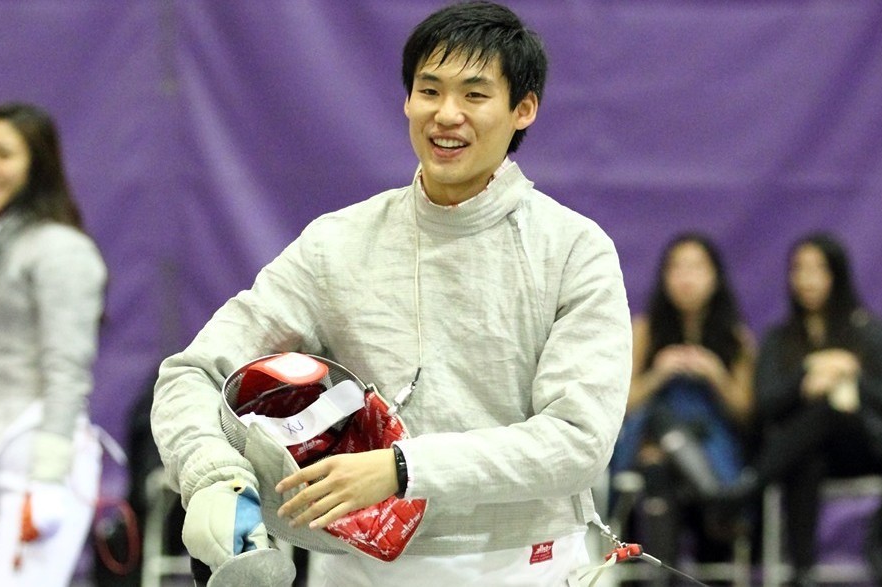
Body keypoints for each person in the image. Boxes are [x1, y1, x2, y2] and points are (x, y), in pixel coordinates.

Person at [151, 2, 632, 586]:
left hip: (521, 562)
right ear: (407, 100)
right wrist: (211, 474)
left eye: (475, 95)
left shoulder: (574, 249)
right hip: (353, 567)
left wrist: (402, 469)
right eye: (429, 90)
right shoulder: (338, 243)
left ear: (522, 110)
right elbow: (194, 371)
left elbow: (577, 440)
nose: (446, 114)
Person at [0, 103, 108, 587]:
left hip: (39, 452)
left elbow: (67, 370)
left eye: (3, 154)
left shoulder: (62, 249)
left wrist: (49, 479)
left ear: (35, 164)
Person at [719, 232, 882, 586]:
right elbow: (765, 406)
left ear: (837, 274)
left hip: (864, 447)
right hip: (804, 452)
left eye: (818, 269)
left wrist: (850, 375)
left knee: (830, 414)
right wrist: (805, 377)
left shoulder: (870, 332)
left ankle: (749, 486)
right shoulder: (779, 338)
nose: (807, 279)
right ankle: (802, 574)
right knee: (806, 457)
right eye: (799, 269)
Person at [609, 233, 755, 580]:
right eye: (677, 268)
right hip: (648, 442)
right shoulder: (644, 329)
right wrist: (659, 374)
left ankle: (665, 578)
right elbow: (621, 404)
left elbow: (746, 413)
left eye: (696, 268)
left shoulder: (735, 337)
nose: (686, 278)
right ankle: (715, 500)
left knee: (660, 469)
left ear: (715, 277)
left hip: (711, 448)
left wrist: (716, 374)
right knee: (659, 432)